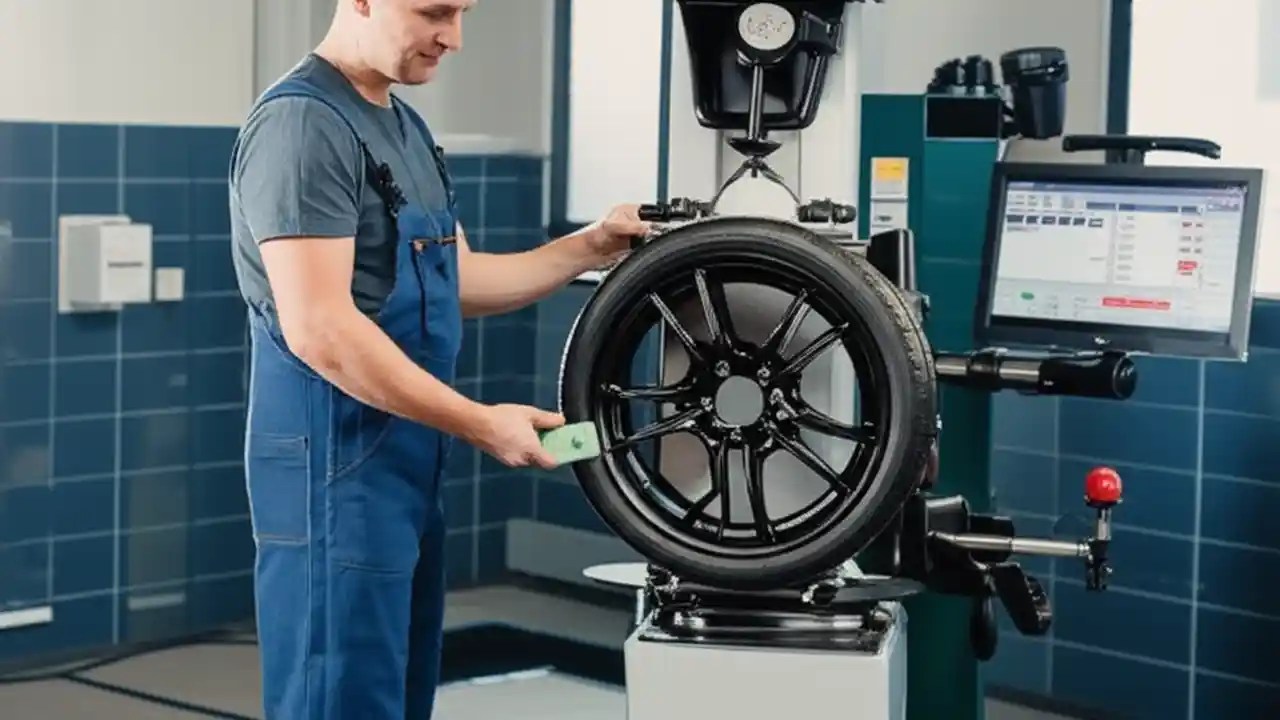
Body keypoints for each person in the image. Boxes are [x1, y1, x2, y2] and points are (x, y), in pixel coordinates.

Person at [226, 0, 648, 717]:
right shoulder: (302, 126)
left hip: (404, 469)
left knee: (396, 694)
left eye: (462, 12)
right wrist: (481, 423)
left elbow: (458, 282)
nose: (452, 38)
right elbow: (320, 328)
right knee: (340, 699)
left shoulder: (401, 124)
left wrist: (593, 245)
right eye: (433, 11)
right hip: (334, 477)